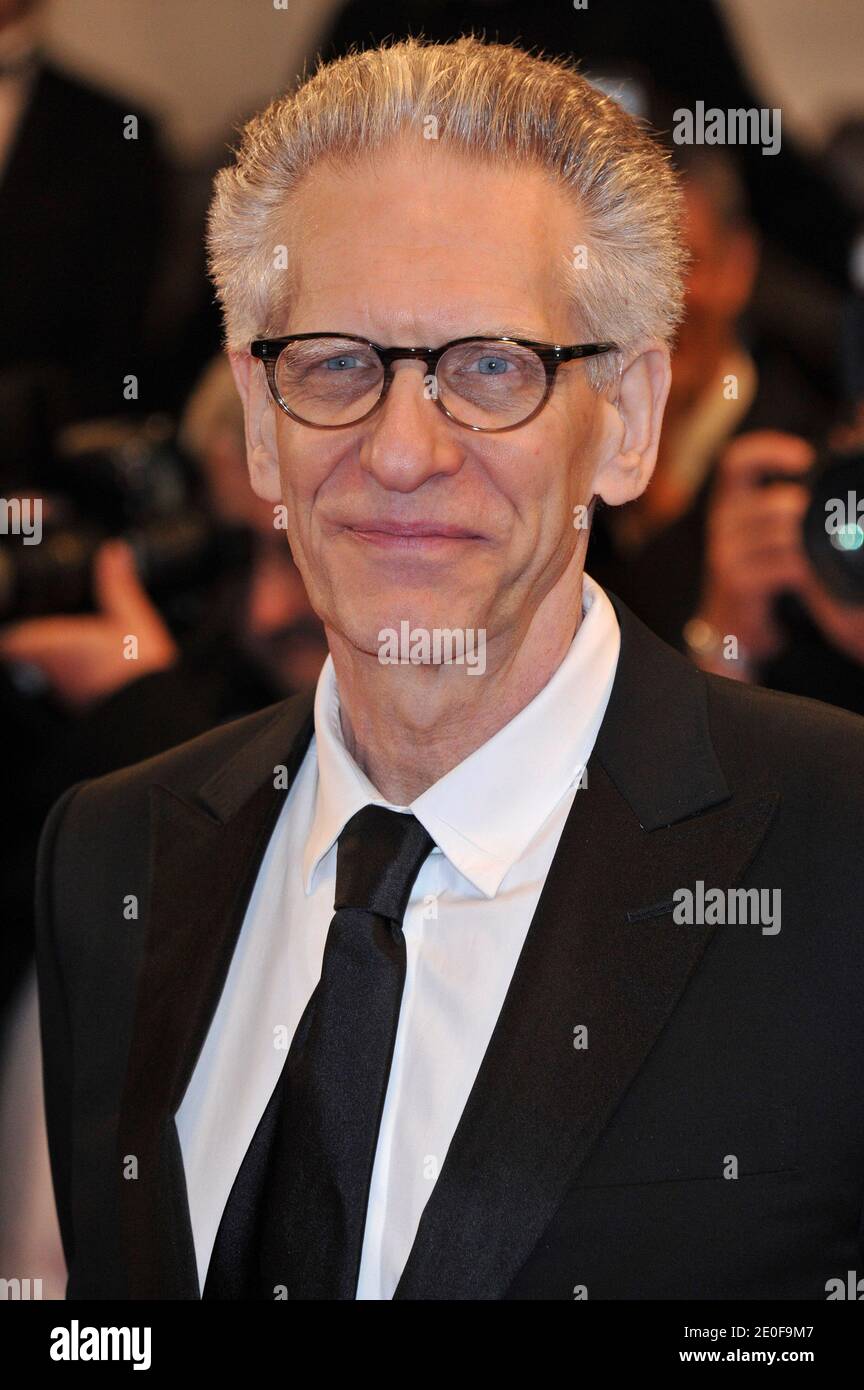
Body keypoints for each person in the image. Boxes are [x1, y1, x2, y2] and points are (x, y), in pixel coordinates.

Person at [35, 37, 864, 1301]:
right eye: (333, 363)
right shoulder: (112, 855)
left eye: (490, 367)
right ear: (259, 428)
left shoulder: (838, 850)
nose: (404, 451)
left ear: (630, 422)